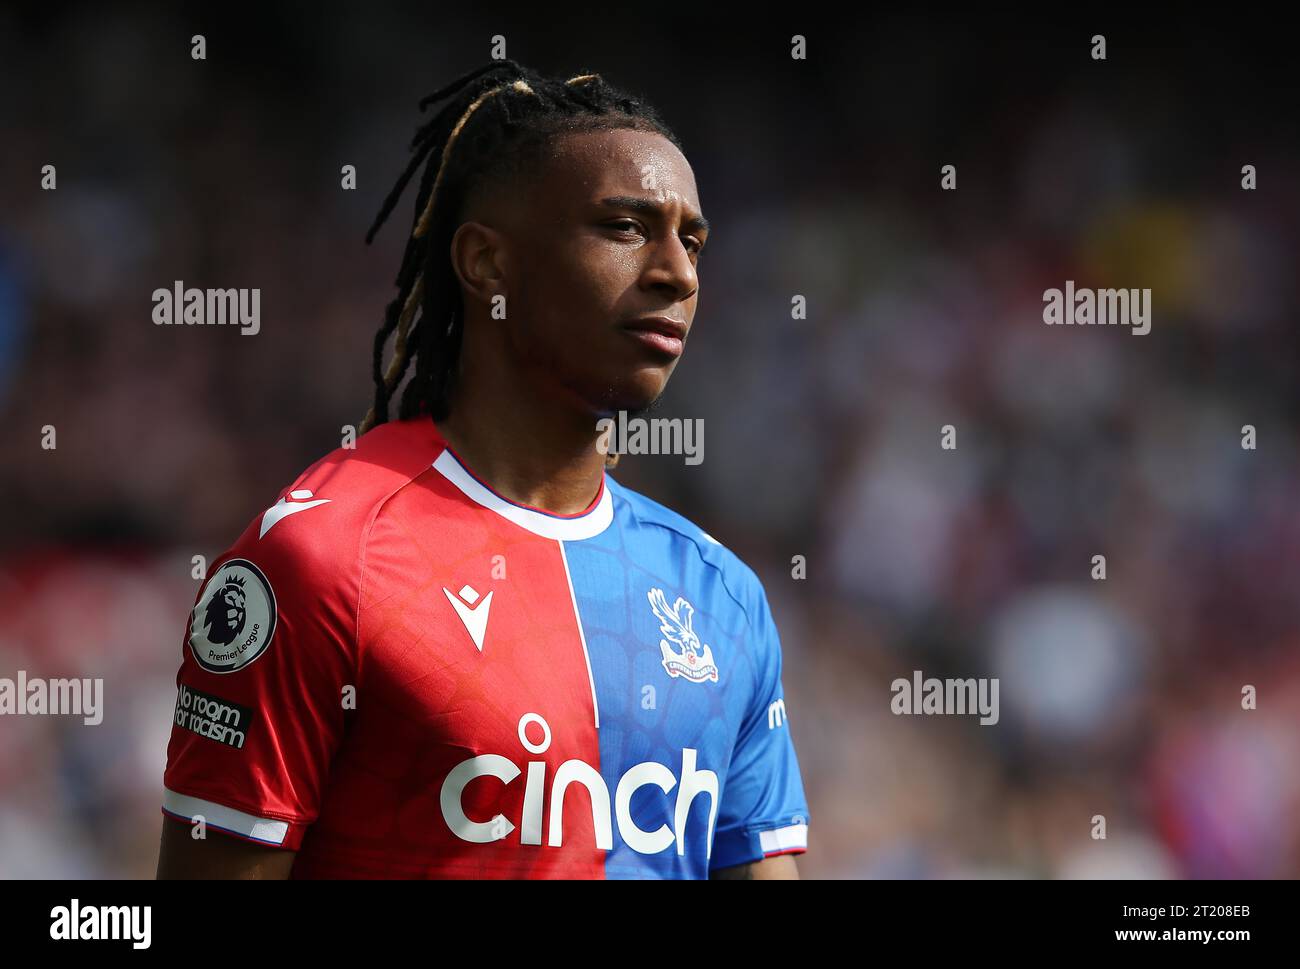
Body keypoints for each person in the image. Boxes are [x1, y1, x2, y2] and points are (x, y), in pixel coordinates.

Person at [156, 61, 808, 879]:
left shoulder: (722, 596)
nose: (677, 273)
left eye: (693, 240)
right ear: (487, 264)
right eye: (625, 227)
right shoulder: (321, 559)